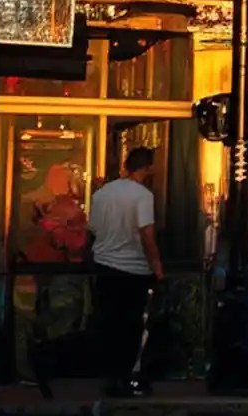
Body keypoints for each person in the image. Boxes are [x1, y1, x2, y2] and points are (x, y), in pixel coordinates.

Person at [87, 147, 162, 398]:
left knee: (108, 322)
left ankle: (108, 376)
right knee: (130, 325)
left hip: (105, 264)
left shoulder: (102, 193)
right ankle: (125, 376)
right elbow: (147, 234)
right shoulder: (142, 196)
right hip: (133, 268)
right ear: (147, 168)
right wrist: (157, 266)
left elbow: (94, 227)